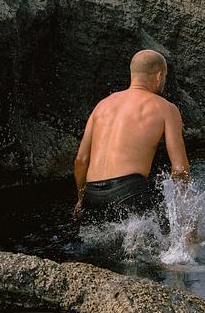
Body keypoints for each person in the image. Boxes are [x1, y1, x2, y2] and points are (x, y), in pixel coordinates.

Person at [73, 50, 191, 223]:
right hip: (129, 192)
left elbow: (81, 160)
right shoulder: (166, 108)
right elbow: (180, 169)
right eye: (164, 77)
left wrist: (81, 200)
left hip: (93, 195)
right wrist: (186, 210)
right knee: (168, 237)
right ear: (159, 76)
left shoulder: (102, 105)